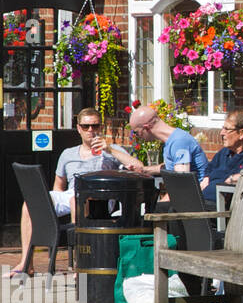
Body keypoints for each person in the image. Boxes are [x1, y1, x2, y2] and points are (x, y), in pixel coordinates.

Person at [10, 108, 144, 277]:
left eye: (95, 126)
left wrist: (109, 149)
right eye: (86, 126)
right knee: (31, 203)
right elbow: (58, 186)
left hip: (101, 196)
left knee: (76, 200)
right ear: (79, 128)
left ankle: (81, 262)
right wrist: (52, 213)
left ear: (100, 127)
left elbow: (139, 167)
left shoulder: (112, 151)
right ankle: (25, 263)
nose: (91, 131)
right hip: (71, 194)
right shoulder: (68, 154)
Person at [128, 104, 209, 178]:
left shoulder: (179, 141)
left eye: (136, 132)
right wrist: (143, 170)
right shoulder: (172, 139)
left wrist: (166, 195)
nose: (137, 137)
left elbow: (182, 181)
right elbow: (170, 167)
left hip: (196, 192)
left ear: (146, 127)